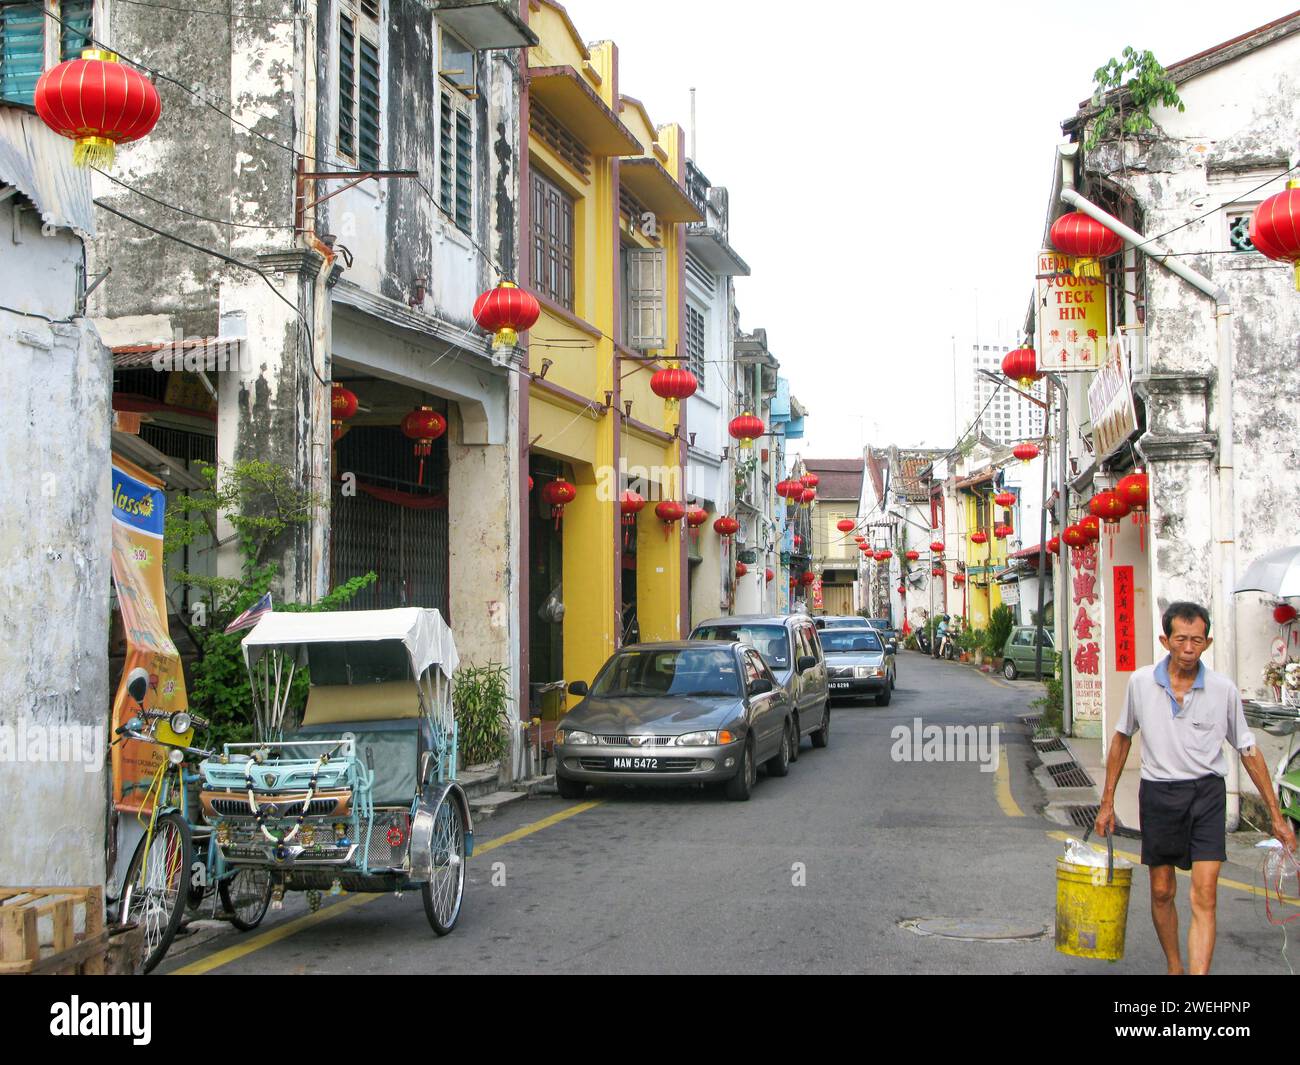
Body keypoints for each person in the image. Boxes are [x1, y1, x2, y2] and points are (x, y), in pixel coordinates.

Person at [1094, 601, 1297, 975]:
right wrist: (1106, 802)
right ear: (1165, 640)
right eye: (1181, 639)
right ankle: (1175, 966)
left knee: (1205, 893)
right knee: (1161, 890)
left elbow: (1248, 751)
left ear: (1208, 643)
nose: (1189, 648)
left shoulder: (1223, 689)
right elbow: (1122, 739)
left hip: (1207, 794)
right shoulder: (1141, 682)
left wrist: (1275, 815)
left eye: (1197, 641)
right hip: (1159, 794)